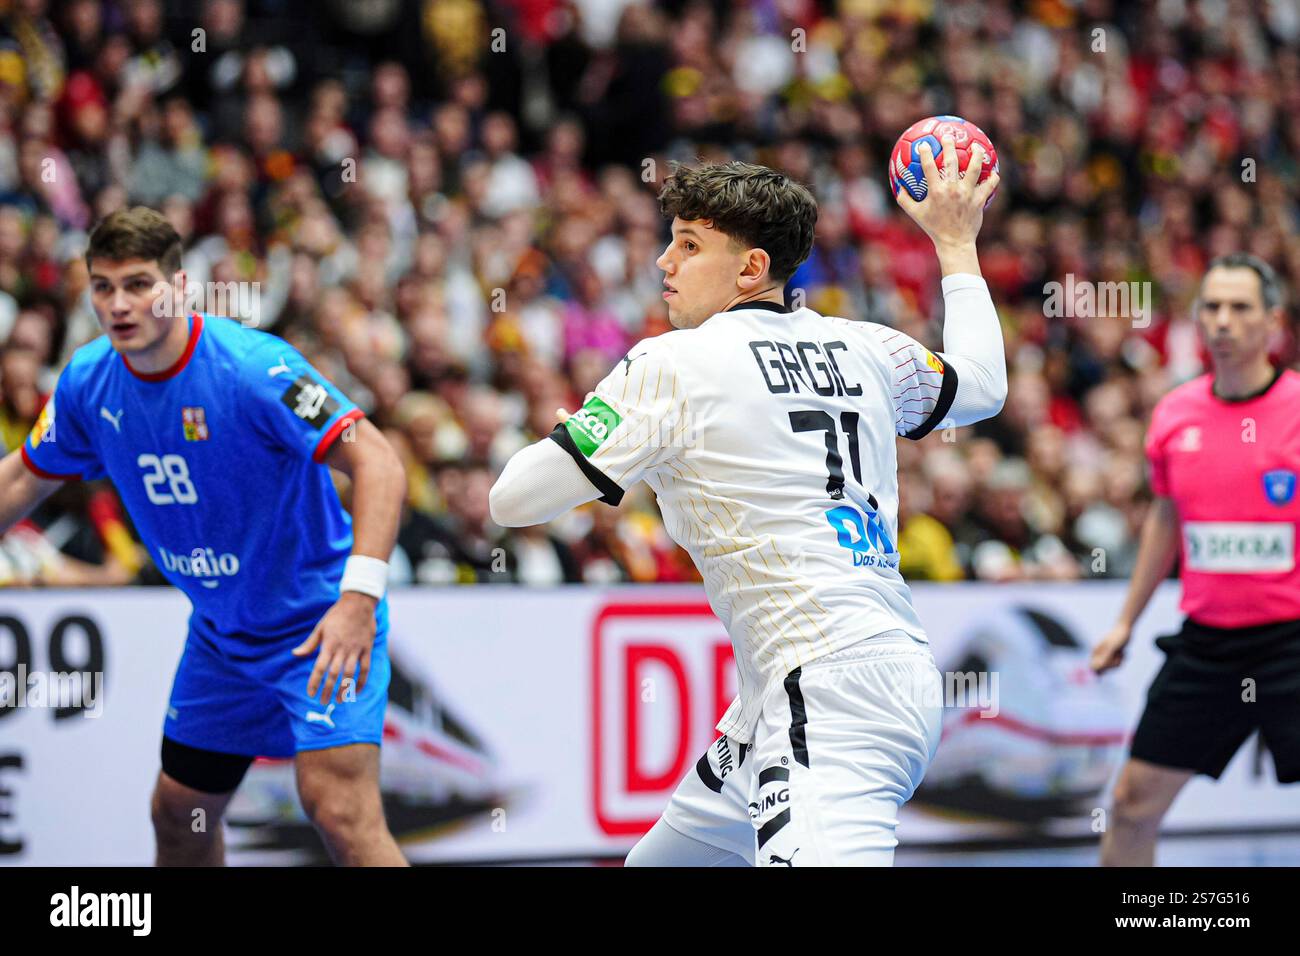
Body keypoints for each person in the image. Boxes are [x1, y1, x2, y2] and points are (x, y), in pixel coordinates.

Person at [490, 138, 1006, 865]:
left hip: (827, 696)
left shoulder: (676, 364)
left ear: (751, 268)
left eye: (689, 246)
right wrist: (956, 244)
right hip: (844, 677)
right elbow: (982, 386)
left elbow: (513, 499)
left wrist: (592, 429)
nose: (664, 263)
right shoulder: (865, 347)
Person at [0, 207, 409, 866]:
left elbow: (379, 460)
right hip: (222, 640)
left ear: (180, 286)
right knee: (179, 815)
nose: (118, 304)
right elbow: (22, 479)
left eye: (138, 284)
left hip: (320, 624)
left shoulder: (253, 369)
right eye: (102, 287)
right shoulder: (86, 380)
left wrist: (358, 601)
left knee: (338, 809)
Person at [1092, 253, 1300, 866]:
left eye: (1240, 308)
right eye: (1211, 307)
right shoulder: (1175, 414)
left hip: (1294, 644)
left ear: (1273, 322)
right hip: (1207, 650)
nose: (1223, 322)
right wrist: (1127, 622)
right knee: (1131, 806)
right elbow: (1167, 517)